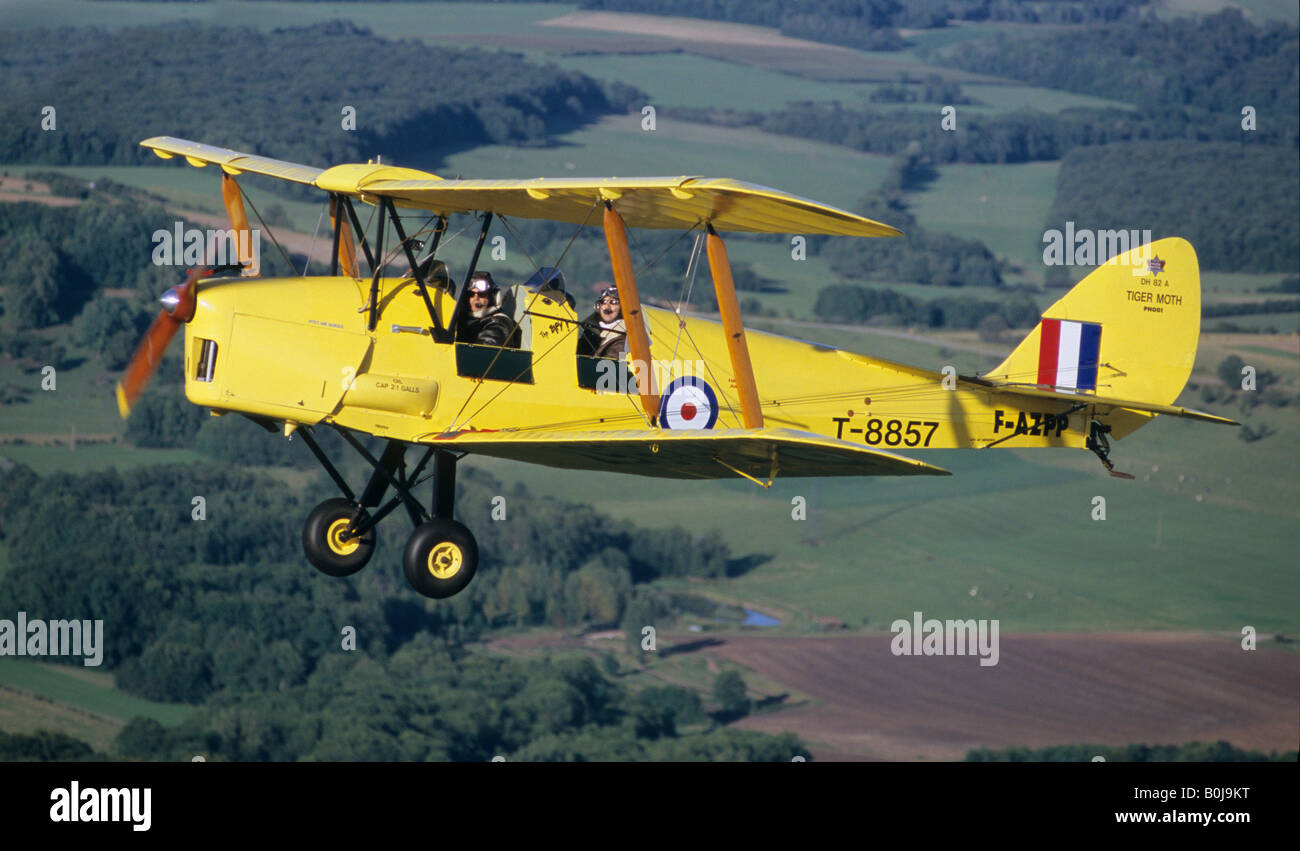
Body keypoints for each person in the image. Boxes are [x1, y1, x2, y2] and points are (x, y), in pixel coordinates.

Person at [458, 272, 514, 347]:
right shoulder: (462, 319)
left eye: (481, 295)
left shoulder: (498, 324)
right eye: (471, 295)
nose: (476, 299)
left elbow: (484, 352)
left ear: (493, 298)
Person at [590, 286, 628, 358]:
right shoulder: (591, 332)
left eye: (613, 302)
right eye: (603, 302)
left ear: (622, 308)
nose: (607, 307)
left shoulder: (623, 341)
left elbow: (613, 365)